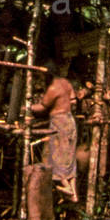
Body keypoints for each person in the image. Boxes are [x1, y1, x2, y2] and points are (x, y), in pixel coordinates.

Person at [31, 65, 78, 202]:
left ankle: (67, 188)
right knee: (69, 157)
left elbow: (42, 108)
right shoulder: (65, 82)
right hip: (70, 121)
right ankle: (74, 193)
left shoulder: (53, 88)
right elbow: (73, 100)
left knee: (58, 159)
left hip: (59, 123)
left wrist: (27, 107)